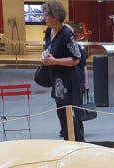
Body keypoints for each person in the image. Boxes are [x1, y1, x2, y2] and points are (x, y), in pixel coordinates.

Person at [41, 1, 84, 141]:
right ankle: (68, 142)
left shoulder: (66, 33)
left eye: (46, 14)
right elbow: (48, 49)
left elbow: (76, 58)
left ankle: (79, 144)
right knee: (61, 114)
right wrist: (45, 56)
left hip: (70, 81)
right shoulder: (49, 31)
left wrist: (55, 61)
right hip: (57, 81)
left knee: (73, 116)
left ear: (54, 15)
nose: (44, 17)